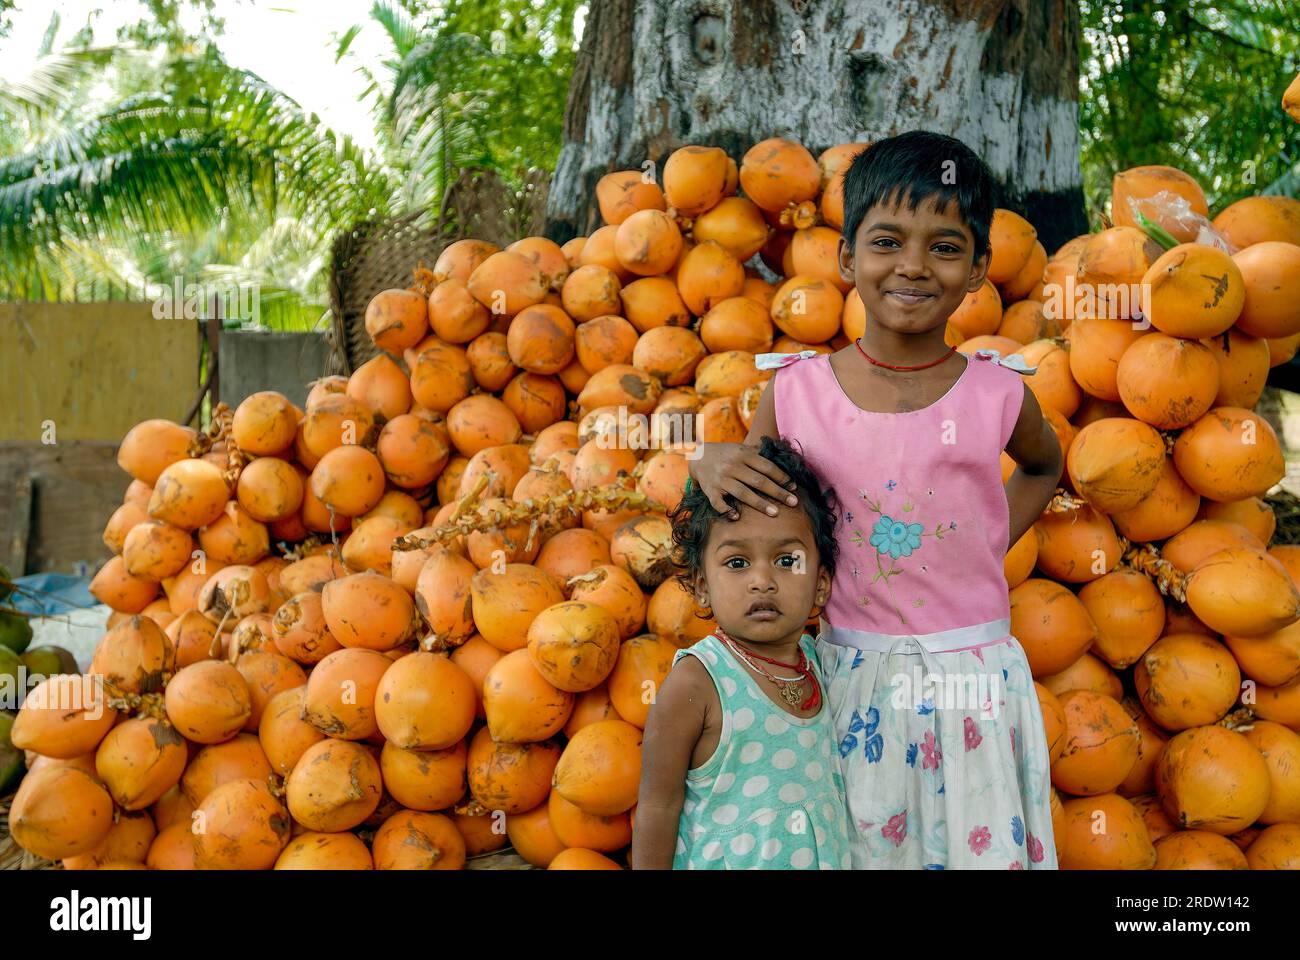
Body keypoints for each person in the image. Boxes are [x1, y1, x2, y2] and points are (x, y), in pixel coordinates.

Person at [687, 130, 1063, 869]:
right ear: (848, 258)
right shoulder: (797, 395)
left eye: (946, 247)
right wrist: (707, 461)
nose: (914, 266)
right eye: (888, 241)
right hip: (851, 681)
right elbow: (752, 513)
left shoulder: (998, 394)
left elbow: (1044, 467)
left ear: (980, 268)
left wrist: (985, 542)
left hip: (972, 685)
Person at [632, 436, 853, 870]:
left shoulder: (822, 662)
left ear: (821, 585)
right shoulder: (698, 682)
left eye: (787, 561)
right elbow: (657, 806)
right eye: (737, 563)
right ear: (701, 586)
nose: (762, 581)